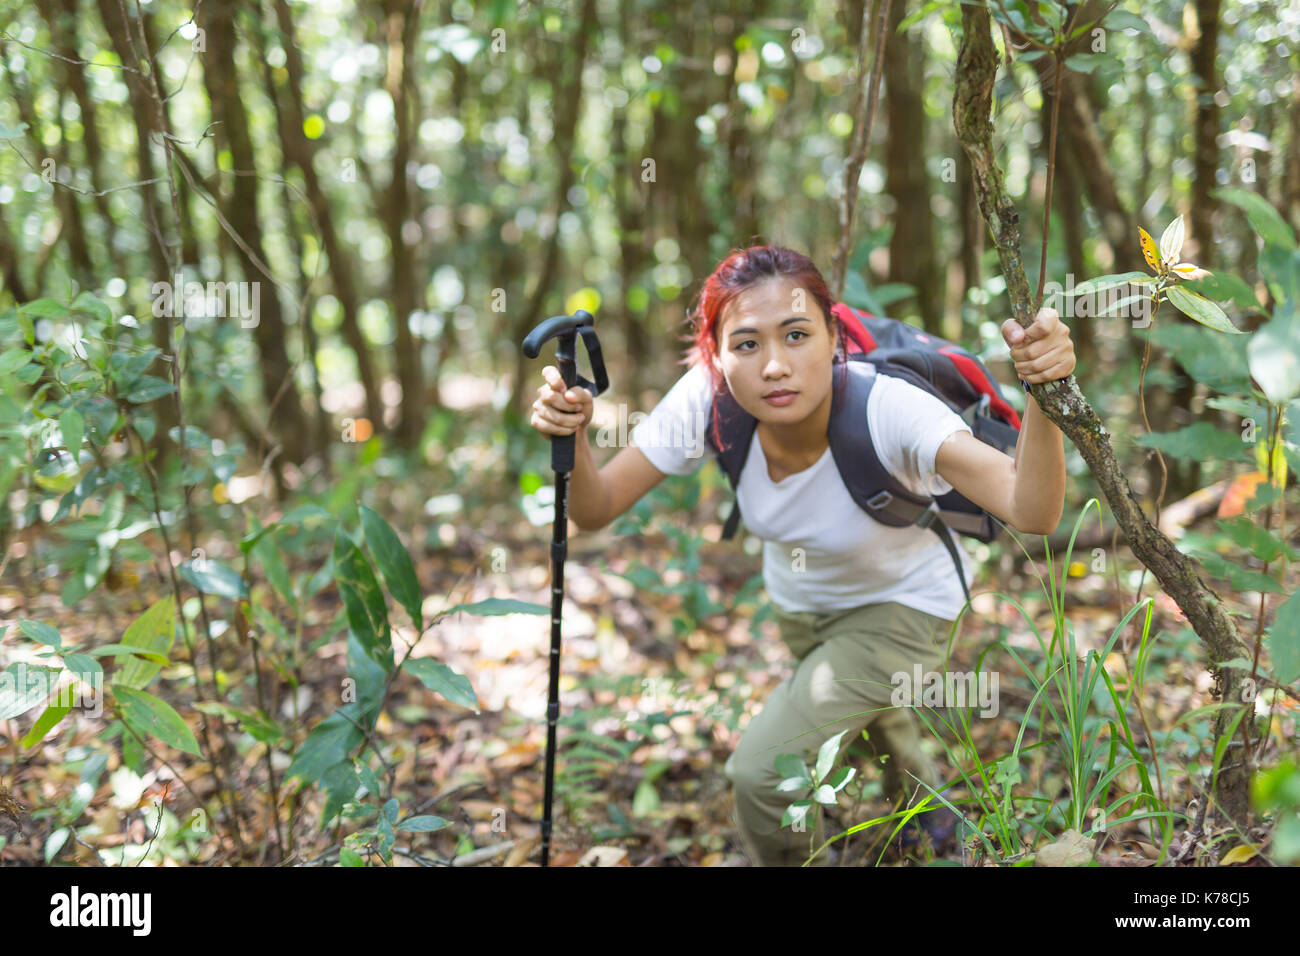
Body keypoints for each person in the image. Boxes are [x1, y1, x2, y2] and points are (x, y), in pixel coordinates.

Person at [528, 245, 1075, 866]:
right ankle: (930, 809)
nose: (774, 366)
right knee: (869, 713)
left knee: (765, 775)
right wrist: (575, 436)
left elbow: (1031, 511)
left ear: (834, 334)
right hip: (804, 606)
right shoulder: (708, 400)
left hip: (908, 603)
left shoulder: (889, 409)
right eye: (747, 344)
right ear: (716, 354)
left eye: (796, 335)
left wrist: (1044, 391)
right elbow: (597, 510)